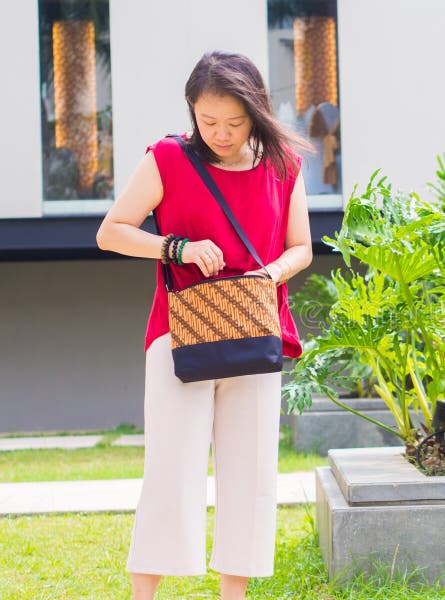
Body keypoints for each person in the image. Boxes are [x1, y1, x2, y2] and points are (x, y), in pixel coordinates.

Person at [96, 51, 313, 600]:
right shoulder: (169, 158)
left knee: (251, 475)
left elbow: (301, 248)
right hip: (179, 337)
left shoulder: (283, 163)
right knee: (171, 472)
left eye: (233, 123)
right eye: (207, 120)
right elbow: (112, 231)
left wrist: (271, 273)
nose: (219, 133)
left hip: (254, 333)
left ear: (255, 112)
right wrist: (179, 248)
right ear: (192, 111)